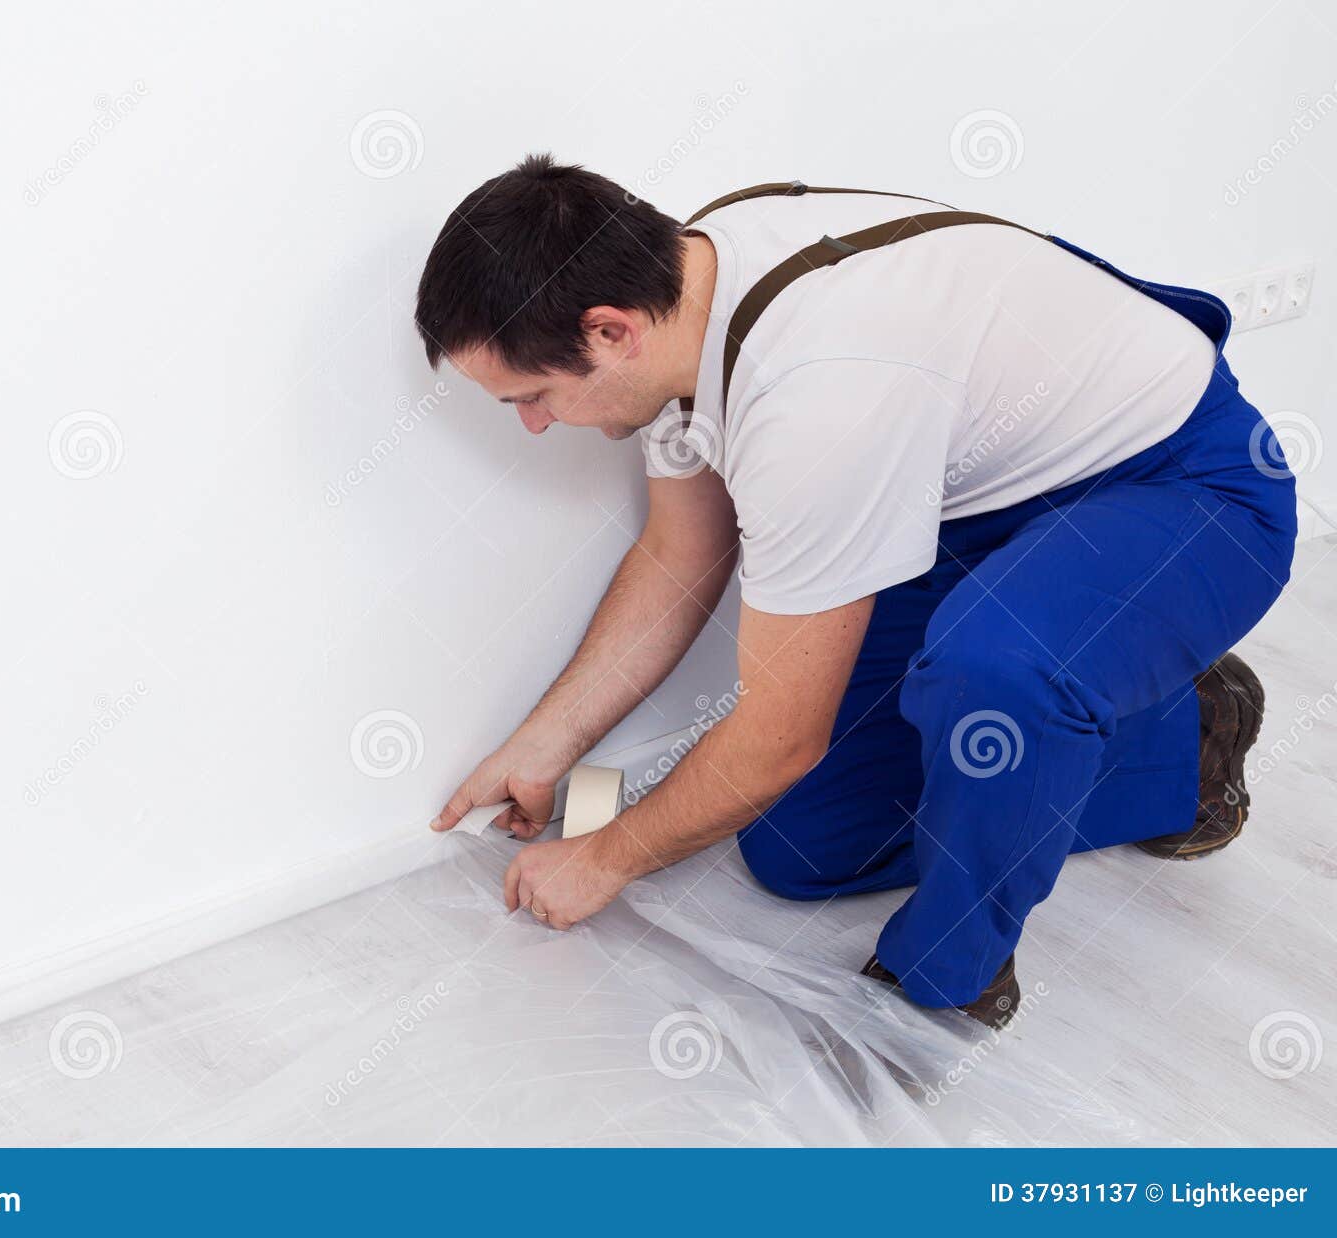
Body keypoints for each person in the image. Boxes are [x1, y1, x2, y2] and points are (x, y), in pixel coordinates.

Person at [414, 154, 1296, 1026]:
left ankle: (947, 981)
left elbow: (776, 742)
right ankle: (1186, 731)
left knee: (994, 677)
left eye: (532, 395)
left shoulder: (816, 402)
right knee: (802, 845)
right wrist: (546, 742)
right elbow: (683, 553)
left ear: (610, 332)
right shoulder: (685, 287)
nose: (532, 425)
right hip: (991, 499)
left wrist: (603, 859)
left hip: (1185, 488)